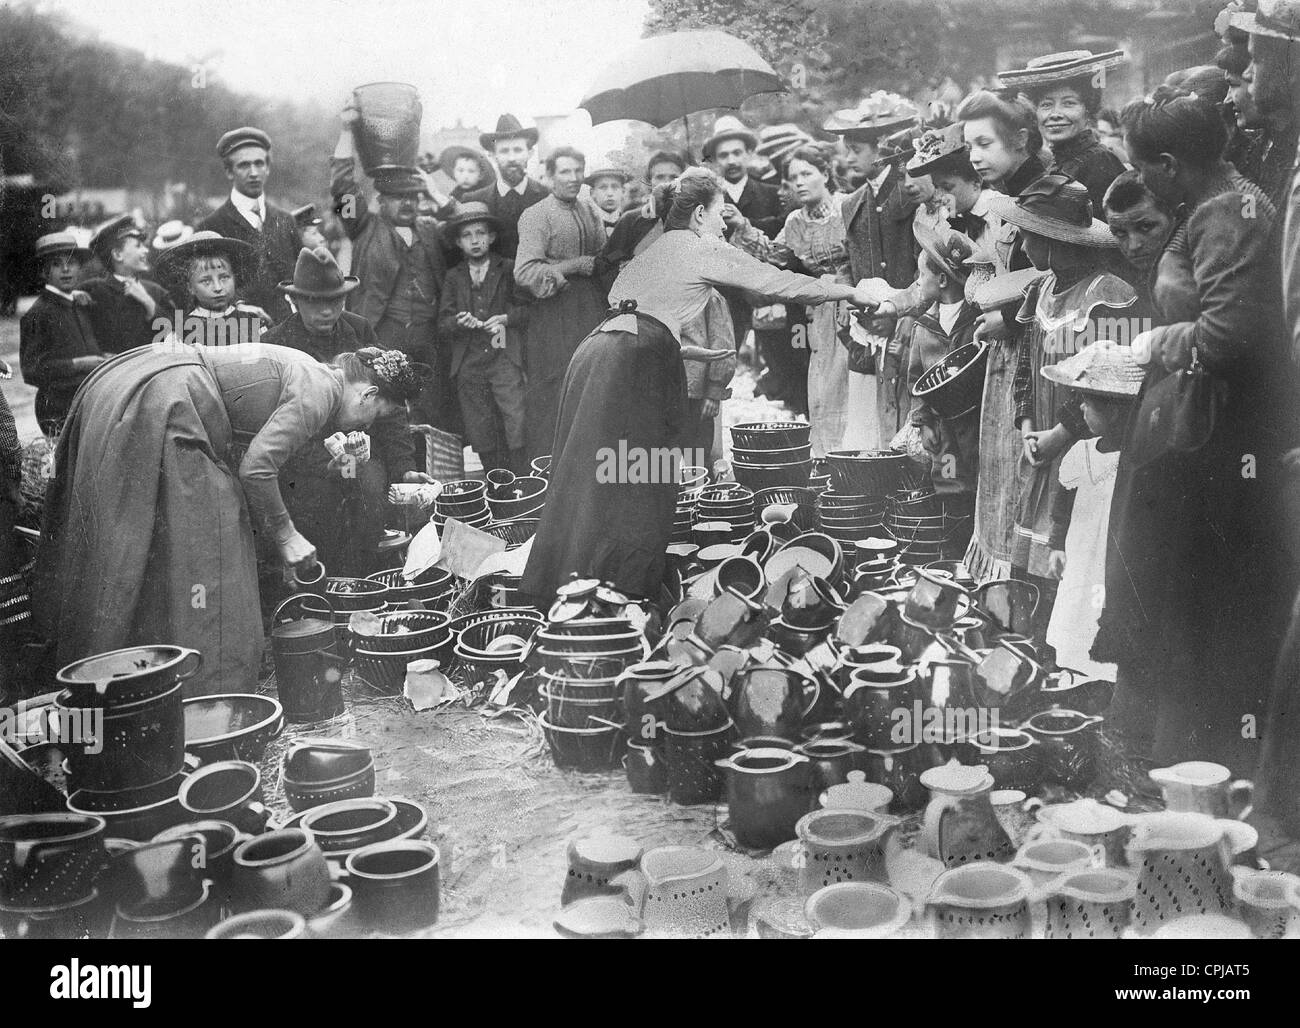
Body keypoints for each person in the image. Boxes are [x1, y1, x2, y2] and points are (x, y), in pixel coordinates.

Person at [519, 167, 881, 605]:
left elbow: (635, 318)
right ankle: (627, 590)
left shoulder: (653, 251)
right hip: (631, 362)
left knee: (593, 470)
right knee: (646, 475)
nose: (725, 222)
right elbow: (777, 282)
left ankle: (565, 585)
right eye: (718, 214)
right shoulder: (697, 248)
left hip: (596, 355)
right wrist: (849, 293)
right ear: (696, 217)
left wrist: (691, 353)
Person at [34, 343, 428, 697]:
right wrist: (287, 537)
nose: (368, 426)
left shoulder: (317, 378)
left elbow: (285, 466)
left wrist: (345, 464)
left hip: (148, 381)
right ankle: (210, 690)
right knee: (214, 546)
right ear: (369, 394)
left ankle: (136, 673)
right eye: (377, 414)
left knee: (142, 542)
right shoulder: (319, 390)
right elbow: (257, 470)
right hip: (170, 398)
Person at [1094, 87, 1294, 773]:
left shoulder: (1227, 216)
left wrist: (1155, 344)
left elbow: (1228, 335)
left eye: (1142, 164)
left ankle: (1190, 761)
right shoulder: (1211, 205)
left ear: (1171, 164)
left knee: (1189, 590)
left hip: (1213, 434)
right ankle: (1161, 749)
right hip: (1188, 420)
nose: (1137, 176)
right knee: (1167, 583)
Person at [986, 176, 1137, 648]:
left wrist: (1060, 433)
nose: (1023, 246)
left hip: (1085, 444)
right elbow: (1027, 368)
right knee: (1030, 540)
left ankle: (1067, 646)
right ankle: (1023, 642)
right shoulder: (1040, 289)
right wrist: (1028, 423)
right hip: (1040, 443)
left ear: (1058, 241)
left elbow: (1113, 384)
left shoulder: (1112, 295)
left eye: (1030, 237)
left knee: (1071, 545)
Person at [263, 246, 432, 577]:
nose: (327, 311)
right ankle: (325, 585)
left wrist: (404, 468)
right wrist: (328, 464)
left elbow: (392, 404)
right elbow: (276, 427)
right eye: (315, 302)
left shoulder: (359, 331)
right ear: (296, 301)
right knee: (320, 504)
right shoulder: (277, 344)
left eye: (335, 301)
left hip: (361, 452)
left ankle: (370, 581)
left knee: (369, 487)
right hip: (302, 457)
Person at [735, 146, 872, 455]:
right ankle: (828, 456)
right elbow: (774, 255)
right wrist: (741, 226)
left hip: (855, 303)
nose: (799, 182)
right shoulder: (795, 221)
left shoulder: (846, 207)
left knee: (853, 381)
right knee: (824, 384)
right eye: (793, 177)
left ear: (825, 175)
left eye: (806, 174)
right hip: (818, 310)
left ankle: (857, 454)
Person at [333, 108, 454, 437]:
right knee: (385, 413)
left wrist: (436, 195)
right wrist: (347, 130)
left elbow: (467, 227)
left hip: (428, 337)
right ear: (381, 200)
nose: (408, 203)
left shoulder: (430, 229)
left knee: (432, 413)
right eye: (398, 197)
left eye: (414, 197)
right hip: (381, 334)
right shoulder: (363, 228)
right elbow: (342, 187)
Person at [1042, 341, 1143, 682]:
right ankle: (1073, 667)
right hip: (1081, 554)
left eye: (1089, 403)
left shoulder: (1134, 459)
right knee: (1076, 606)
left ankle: (1104, 673)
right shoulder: (1080, 453)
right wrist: (1056, 545)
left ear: (1114, 411)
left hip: (1112, 558)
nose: (1081, 408)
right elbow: (1062, 507)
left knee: (1103, 608)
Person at [514, 146, 609, 459]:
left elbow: (602, 256)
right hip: (554, 315)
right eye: (565, 172)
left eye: (578, 171)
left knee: (593, 382)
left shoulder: (589, 209)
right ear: (549, 176)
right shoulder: (536, 214)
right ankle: (548, 467)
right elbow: (524, 272)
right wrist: (571, 266)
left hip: (591, 309)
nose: (573, 179)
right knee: (555, 387)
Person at [900, 225, 982, 543]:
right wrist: (922, 423)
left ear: (943, 280)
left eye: (922, 275)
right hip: (942, 427)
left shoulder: (975, 320)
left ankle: (973, 539)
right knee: (947, 477)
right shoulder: (924, 326)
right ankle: (951, 537)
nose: (919, 282)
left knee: (975, 477)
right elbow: (915, 376)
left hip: (973, 423)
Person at [437, 203, 530, 475]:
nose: (475, 240)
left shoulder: (509, 268)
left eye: (481, 233)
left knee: (515, 415)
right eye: (467, 235)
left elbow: (528, 311)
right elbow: (442, 324)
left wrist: (505, 319)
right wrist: (458, 322)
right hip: (469, 358)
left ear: (492, 237)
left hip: (503, 353)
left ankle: (521, 478)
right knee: (478, 423)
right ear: (458, 242)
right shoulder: (453, 276)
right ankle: (495, 479)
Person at [998, 50, 1129, 217]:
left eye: (1068, 103)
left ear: (1088, 110)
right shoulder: (1055, 162)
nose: (1055, 114)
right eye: (1046, 105)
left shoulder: (1100, 162)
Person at [197, 127, 300, 324]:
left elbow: (299, 278)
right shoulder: (210, 227)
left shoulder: (286, 220)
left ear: (268, 168)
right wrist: (237, 306)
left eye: (259, 164)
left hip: (291, 330)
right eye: (244, 165)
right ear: (229, 171)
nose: (253, 172)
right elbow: (200, 288)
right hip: (243, 331)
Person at [704, 115, 785, 348]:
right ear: (714, 160)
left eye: (737, 153)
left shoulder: (773, 193)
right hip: (727, 300)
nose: (731, 160)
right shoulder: (707, 201)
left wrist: (745, 221)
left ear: (748, 153)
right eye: (723, 155)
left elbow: (782, 238)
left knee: (783, 369)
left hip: (769, 299)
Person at [19, 233, 105, 436]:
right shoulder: (38, 313)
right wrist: (79, 363)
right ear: (44, 271)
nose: (66, 270)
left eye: (72, 263)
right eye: (57, 264)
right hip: (58, 410)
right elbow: (31, 370)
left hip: (87, 403)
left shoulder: (79, 304)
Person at [153, 231, 267, 349]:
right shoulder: (181, 332)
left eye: (224, 278)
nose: (218, 288)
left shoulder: (252, 321)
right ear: (190, 287)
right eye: (206, 281)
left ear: (234, 278)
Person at [458, 114, 550, 260]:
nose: (512, 158)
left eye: (518, 150)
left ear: (530, 153)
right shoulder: (474, 200)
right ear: (493, 155)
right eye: (504, 151)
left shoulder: (547, 197)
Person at [81, 214, 173, 355]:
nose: (146, 250)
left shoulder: (156, 292)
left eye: (144, 245)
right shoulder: (93, 291)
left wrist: (149, 303)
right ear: (118, 255)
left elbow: (177, 336)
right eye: (138, 246)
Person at [957, 90, 1047, 199]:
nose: (973, 158)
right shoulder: (1014, 192)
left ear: (1020, 139)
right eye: (969, 148)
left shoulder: (1042, 197)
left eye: (984, 144)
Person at [585, 162, 630, 234]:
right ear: (592, 193)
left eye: (615, 187)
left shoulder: (631, 224)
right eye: (603, 187)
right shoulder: (585, 226)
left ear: (623, 191)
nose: (610, 193)